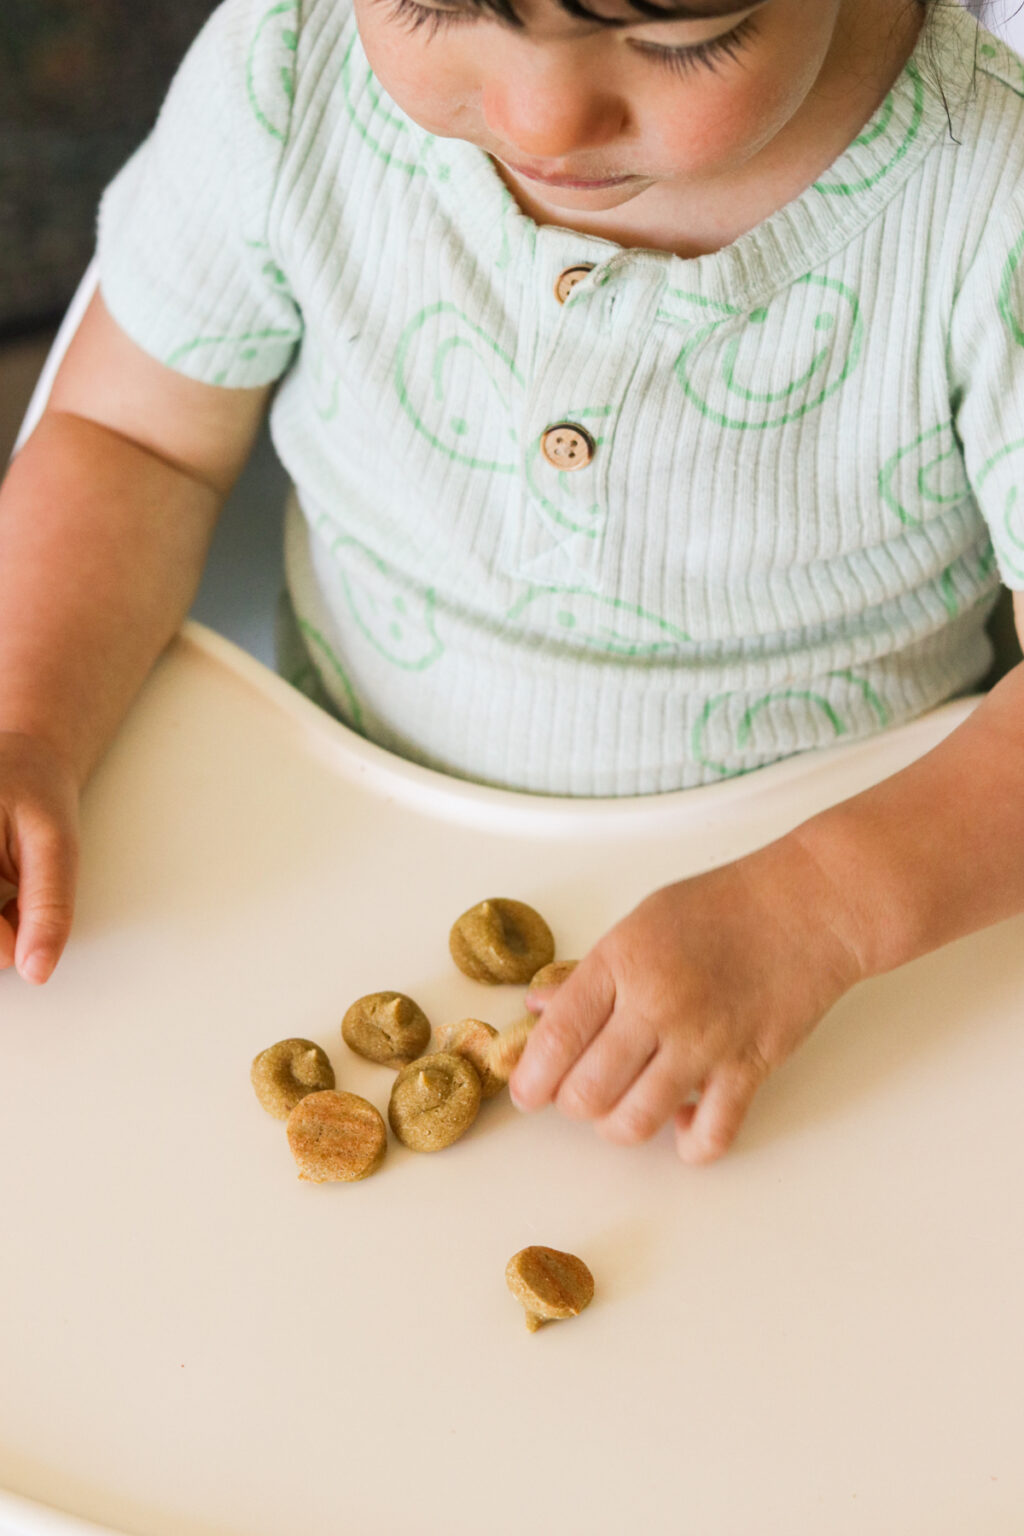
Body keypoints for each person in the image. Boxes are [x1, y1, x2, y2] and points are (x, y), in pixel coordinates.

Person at [1, 0, 1022, 1164]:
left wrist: (823, 912)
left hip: (838, 948)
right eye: (437, 4)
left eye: (682, 41)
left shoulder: (990, 195)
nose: (540, 117)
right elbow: (132, 443)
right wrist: (26, 720)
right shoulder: (288, 72)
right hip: (333, 868)